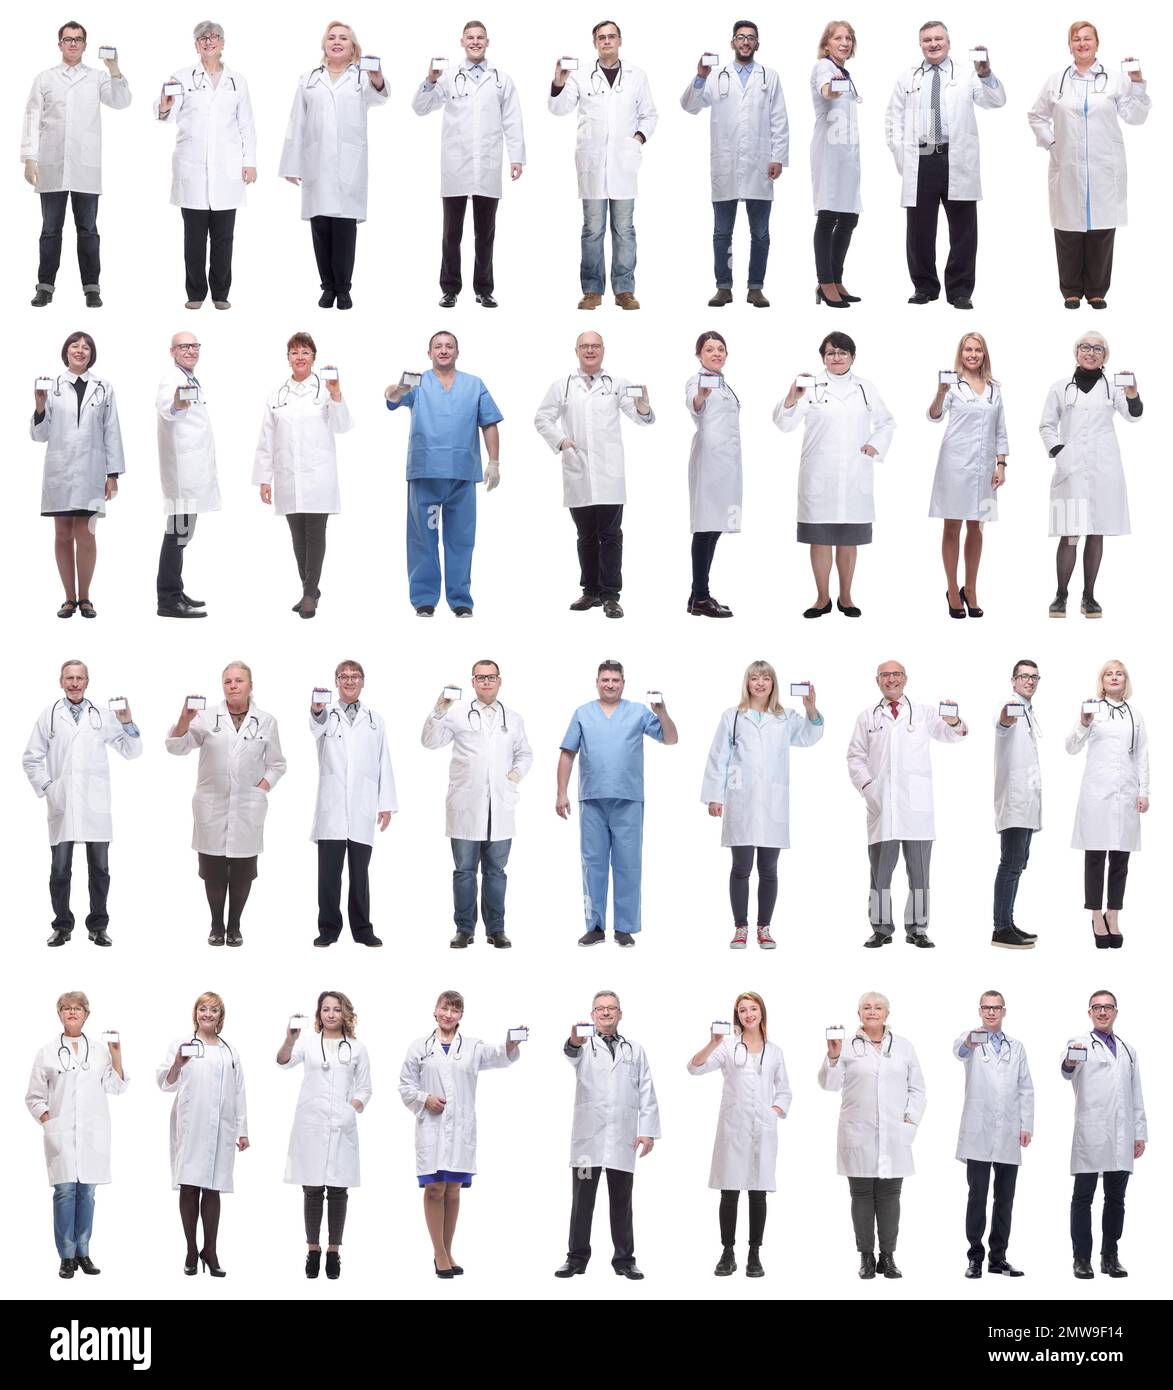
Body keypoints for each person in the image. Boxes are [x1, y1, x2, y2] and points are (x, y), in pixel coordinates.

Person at [399, 990, 521, 1277]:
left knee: (452, 1189)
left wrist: (511, 1042)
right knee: (434, 1187)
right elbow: (405, 1086)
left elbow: (500, 1056)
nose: (448, 1014)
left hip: (460, 1129)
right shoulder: (419, 1047)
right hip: (431, 1125)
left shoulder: (472, 1046)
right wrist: (425, 1098)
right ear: (435, 1011)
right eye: (444, 1008)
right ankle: (438, 1253)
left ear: (461, 1016)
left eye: (455, 1010)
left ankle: (448, 1249)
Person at [1027, 24, 1151, 308]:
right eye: (1076, 39)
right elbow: (1036, 116)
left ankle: (1096, 290)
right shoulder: (1056, 80)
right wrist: (1052, 144)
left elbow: (1135, 117)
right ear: (1069, 45)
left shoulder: (1116, 80)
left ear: (1097, 44)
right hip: (1067, 166)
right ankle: (1070, 289)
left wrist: (1138, 84)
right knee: (1068, 229)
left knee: (1101, 230)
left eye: (1087, 39)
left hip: (1103, 167)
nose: (1082, 44)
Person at [773, 331, 895, 618]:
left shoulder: (866, 388)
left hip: (854, 475)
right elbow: (784, 424)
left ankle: (847, 597)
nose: (836, 358)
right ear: (823, 358)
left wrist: (874, 445)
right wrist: (792, 396)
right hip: (820, 475)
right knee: (820, 538)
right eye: (830, 353)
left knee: (849, 538)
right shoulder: (810, 387)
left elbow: (887, 422)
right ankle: (822, 597)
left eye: (842, 352)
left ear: (853, 356)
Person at [702, 661, 823, 948]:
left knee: (769, 869)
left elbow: (809, 736)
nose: (760, 683)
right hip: (740, 799)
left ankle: (764, 928)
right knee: (741, 867)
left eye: (765, 678)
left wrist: (811, 708)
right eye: (754, 678)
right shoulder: (732, 716)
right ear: (747, 683)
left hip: (772, 802)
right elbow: (719, 756)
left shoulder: (785, 717)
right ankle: (741, 927)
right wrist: (715, 796)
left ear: (773, 683)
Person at [846, 659, 967, 948]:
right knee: (880, 876)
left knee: (920, 876)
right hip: (881, 807)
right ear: (877, 680)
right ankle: (881, 929)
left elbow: (954, 735)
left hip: (917, 809)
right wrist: (868, 787)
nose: (891, 679)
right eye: (885, 675)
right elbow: (855, 757)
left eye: (896, 674)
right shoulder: (867, 717)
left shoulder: (924, 714)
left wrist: (953, 720)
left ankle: (918, 929)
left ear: (905, 679)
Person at [883, 21, 1004, 308]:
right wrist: (903, 157)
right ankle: (924, 286)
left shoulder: (967, 74)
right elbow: (893, 119)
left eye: (938, 39)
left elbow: (996, 101)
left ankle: (960, 290)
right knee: (919, 230)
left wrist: (985, 73)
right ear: (920, 44)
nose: (933, 44)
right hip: (921, 157)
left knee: (963, 229)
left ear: (948, 43)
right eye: (927, 40)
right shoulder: (908, 77)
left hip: (956, 157)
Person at [165, 661, 286, 946]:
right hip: (212, 806)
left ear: (250, 686)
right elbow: (176, 747)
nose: (232, 685)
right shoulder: (206, 717)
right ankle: (217, 924)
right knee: (214, 871)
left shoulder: (266, 720)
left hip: (248, 807)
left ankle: (235, 926)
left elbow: (277, 763)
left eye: (239, 681)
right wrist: (184, 718)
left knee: (243, 872)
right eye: (228, 681)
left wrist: (262, 787)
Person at [22, 659, 142, 947]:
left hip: (94, 804)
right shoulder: (49, 716)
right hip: (62, 804)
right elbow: (31, 758)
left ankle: (98, 926)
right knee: (60, 871)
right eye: (69, 678)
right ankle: (62, 926)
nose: (74, 683)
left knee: (99, 871)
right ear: (61, 681)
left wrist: (126, 721)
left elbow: (131, 751)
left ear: (87, 681)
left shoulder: (101, 715)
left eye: (79, 678)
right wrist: (49, 788)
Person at [534, 332, 654, 619]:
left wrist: (643, 406)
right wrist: (561, 440)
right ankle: (590, 591)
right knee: (585, 535)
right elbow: (542, 418)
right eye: (585, 346)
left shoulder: (618, 385)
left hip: (609, 473)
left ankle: (611, 595)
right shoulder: (561, 386)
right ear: (576, 350)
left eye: (595, 346)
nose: (590, 350)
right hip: (578, 469)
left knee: (611, 535)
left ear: (603, 350)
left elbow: (642, 419)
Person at [557, 661, 678, 947]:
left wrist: (662, 712)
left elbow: (671, 739)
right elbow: (567, 753)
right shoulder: (583, 713)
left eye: (615, 680)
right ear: (596, 682)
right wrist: (561, 793)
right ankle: (595, 926)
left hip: (628, 799)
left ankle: (624, 927)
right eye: (605, 680)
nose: (610, 684)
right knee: (593, 864)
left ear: (624, 683)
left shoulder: (637, 712)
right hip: (592, 799)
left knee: (628, 865)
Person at [385, 331, 503, 617]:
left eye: (449, 346)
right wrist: (398, 389)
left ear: (457, 352)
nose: (443, 349)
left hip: (462, 473)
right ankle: (424, 598)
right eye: (437, 346)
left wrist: (494, 462)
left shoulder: (474, 385)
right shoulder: (417, 382)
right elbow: (390, 398)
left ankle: (460, 599)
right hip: (426, 472)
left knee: (461, 539)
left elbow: (488, 423)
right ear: (429, 353)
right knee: (421, 539)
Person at [412, 21, 525, 309]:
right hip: (456, 166)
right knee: (451, 234)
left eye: (480, 38)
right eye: (470, 38)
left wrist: (517, 157)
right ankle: (449, 288)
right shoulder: (448, 77)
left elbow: (512, 120)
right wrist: (430, 80)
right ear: (461, 42)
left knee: (485, 234)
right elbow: (420, 108)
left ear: (488, 42)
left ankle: (484, 289)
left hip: (487, 165)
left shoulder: (501, 79)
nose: (475, 42)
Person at [422, 659, 533, 949]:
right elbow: (429, 742)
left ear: (500, 680)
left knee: (496, 872)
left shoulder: (514, 718)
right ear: (472, 682)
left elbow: (525, 754)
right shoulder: (457, 715)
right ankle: (464, 929)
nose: (486, 682)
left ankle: (496, 929)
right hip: (465, 807)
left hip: (501, 806)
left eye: (491, 677)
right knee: (464, 872)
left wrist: (515, 775)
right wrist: (439, 709)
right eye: (480, 677)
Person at [548, 20, 658, 310]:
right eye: (601, 38)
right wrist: (559, 80)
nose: (606, 41)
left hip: (624, 164)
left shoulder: (637, 76)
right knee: (592, 230)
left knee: (625, 230)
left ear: (620, 40)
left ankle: (624, 290)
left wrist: (638, 138)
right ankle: (592, 291)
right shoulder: (580, 75)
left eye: (611, 36)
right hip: (593, 165)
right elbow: (558, 109)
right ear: (595, 43)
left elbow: (649, 115)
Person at [22, 21, 131, 308]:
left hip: (85, 167)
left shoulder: (97, 77)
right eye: (67, 39)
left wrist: (114, 68)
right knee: (50, 230)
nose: (73, 43)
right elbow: (32, 119)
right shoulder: (45, 78)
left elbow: (121, 101)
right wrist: (29, 158)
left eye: (78, 39)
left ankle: (91, 288)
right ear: (59, 44)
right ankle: (45, 287)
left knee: (88, 230)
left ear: (84, 44)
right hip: (51, 165)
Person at [279, 20, 387, 308]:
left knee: (344, 228)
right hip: (315, 162)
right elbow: (296, 122)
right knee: (321, 227)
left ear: (353, 47)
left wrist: (376, 76)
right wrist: (291, 164)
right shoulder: (309, 79)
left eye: (343, 38)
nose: (337, 42)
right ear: (324, 44)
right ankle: (327, 287)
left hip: (349, 164)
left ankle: (344, 288)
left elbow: (381, 95)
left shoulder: (362, 77)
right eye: (332, 38)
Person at [680, 20, 787, 308]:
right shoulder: (716, 76)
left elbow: (779, 118)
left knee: (761, 233)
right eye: (740, 37)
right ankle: (723, 287)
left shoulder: (770, 76)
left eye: (751, 38)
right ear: (732, 43)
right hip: (725, 162)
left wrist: (778, 157)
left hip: (760, 164)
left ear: (757, 44)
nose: (745, 41)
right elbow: (690, 107)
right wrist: (700, 76)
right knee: (722, 232)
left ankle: (755, 288)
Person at [818, 992, 925, 1279]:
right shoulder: (846, 1047)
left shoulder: (903, 1046)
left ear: (887, 1014)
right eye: (866, 1007)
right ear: (859, 1015)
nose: (872, 1011)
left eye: (878, 1007)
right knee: (862, 1195)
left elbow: (917, 1089)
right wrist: (832, 1055)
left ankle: (887, 1257)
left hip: (894, 1135)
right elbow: (829, 1085)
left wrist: (909, 1122)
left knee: (890, 1196)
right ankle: (866, 1256)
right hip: (858, 1134)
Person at [153, 21, 257, 311]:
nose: (208, 41)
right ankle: (196, 292)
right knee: (194, 239)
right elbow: (165, 114)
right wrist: (164, 103)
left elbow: (246, 125)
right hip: (193, 169)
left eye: (213, 37)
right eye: (202, 38)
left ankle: (221, 293)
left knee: (224, 238)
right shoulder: (181, 77)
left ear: (223, 42)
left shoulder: (237, 81)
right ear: (196, 45)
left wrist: (250, 162)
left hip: (228, 170)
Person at [556, 991, 659, 1279]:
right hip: (589, 1142)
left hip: (621, 1139)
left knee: (622, 1202)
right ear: (592, 1015)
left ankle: (625, 1260)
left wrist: (648, 1131)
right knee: (582, 1201)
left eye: (611, 1008)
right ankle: (576, 1259)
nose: (605, 1013)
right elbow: (570, 1052)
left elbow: (646, 1090)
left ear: (620, 1013)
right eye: (599, 1009)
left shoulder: (634, 1049)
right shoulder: (584, 1046)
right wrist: (575, 1040)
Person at [25, 991, 128, 1278]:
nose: (72, 1012)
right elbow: (34, 1096)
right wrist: (49, 1122)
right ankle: (66, 1256)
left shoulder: (99, 1051)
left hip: (92, 1135)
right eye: (66, 1008)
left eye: (77, 1008)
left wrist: (117, 1054)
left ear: (86, 1014)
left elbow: (116, 1087)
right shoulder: (46, 1051)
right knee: (65, 1192)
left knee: (87, 1194)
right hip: (61, 1135)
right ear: (59, 1014)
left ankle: (84, 1252)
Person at [688, 993, 791, 1277]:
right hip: (733, 1127)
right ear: (737, 1016)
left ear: (762, 1012)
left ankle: (754, 1254)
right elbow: (693, 1068)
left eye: (753, 1009)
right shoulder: (727, 1047)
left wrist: (775, 1110)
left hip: (763, 1129)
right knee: (729, 1192)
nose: (748, 1014)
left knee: (758, 1194)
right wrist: (713, 1042)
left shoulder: (775, 1051)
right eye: (742, 1010)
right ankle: (727, 1252)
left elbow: (784, 1089)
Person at [1040, 333, 1142, 619]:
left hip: (1103, 469)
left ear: (1104, 356)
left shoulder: (1114, 388)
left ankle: (1089, 596)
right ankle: (1061, 595)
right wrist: (1059, 451)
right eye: (1086, 347)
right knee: (1070, 534)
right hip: (1071, 469)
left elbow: (1134, 416)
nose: (1091, 352)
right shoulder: (1060, 388)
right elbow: (1046, 426)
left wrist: (1133, 394)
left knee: (1095, 533)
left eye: (1098, 349)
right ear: (1076, 352)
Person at [252, 332, 352, 618]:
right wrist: (264, 479)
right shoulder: (277, 395)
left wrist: (336, 394)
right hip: (288, 476)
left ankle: (309, 594)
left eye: (305, 352)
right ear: (288, 359)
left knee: (315, 534)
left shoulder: (324, 391)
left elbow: (342, 425)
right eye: (294, 352)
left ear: (313, 358)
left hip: (318, 476)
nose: (299, 357)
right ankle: (311, 587)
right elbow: (266, 438)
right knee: (297, 537)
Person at [31, 331, 125, 619]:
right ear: (66, 351)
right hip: (60, 471)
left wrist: (113, 474)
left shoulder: (104, 387)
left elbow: (112, 431)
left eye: (86, 347)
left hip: (91, 472)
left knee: (85, 534)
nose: (80, 350)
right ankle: (68, 599)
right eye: (75, 345)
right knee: (62, 534)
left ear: (91, 354)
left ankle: (85, 597)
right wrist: (39, 404)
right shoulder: (52, 386)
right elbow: (39, 434)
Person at [278, 992, 371, 1280]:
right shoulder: (307, 1043)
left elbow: (365, 1089)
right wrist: (290, 1038)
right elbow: (282, 1061)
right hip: (311, 1124)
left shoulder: (356, 1047)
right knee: (313, 1189)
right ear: (318, 1014)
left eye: (336, 1009)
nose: (331, 1014)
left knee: (338, 1190)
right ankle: (312, 1250)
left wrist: (349, 1110)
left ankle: (333, 1252)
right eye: (325, 1009)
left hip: (341, 1125)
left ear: (346, 1013)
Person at [157, 992, 248, 1277]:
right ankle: (191, 1250)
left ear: (221, 1016)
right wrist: (177, 1065)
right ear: (195, 1012)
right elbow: (165, 1083)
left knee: (213, 1188)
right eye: (203, 1009)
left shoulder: (229, 1050)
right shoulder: (182, 1045)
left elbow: (239, 1091)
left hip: (221, 1127)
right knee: (189, 1185)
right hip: (191, 1123)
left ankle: (211, 1250)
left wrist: (243, 1130)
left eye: (214, 1010)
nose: (207, 1014)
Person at [310, 660, 396, 947]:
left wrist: (386, 803)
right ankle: (328, 930)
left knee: (360, 874)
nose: (349, 681)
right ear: (336, 682)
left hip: (362, 806)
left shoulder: (375, 720)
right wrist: (317, 709)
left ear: (363, 681)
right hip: (332, 808)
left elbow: (384, 761)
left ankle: (362, 929)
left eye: (355, 676)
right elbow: (315, 726)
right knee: (329, 876)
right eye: (343, 677)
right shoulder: (326, 715)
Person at [1062, 991, 1147, 1279]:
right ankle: (1081, 1258)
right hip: (1092, 1132)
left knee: (1116, 1199)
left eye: (1107, 1007)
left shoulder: (1128, 1049)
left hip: (1122, 1134)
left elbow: (1136, 1094)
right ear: (1089, 1012)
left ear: (1115, 1011)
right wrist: (1072, 1059)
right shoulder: (1080, 1043)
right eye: (1097, 1007)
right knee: (1083, 1197)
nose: (1102, 1012)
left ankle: (1110, 1256)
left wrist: (1139, 1133)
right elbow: (1066, 1069)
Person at [1066, 660, 1148, 947]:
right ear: (1101, 681)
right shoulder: (1092, 709)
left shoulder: (1135, 715)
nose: (1114, 678)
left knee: (1120, 857)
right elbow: (1071, 747)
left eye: (1120, 673)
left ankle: (1114, 913)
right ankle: (1095, 914)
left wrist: (1144, 791)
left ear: (1126, 680)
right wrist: (1083, 723)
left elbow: (1141, 755)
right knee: (1096, 856)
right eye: (1109, 674)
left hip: (1125, 793)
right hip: (1096, 794)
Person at [954, 991, 1033, 1278]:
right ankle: (975, 1257)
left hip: (1010, 1133)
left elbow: (1026, 1088)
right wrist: (968, 1041)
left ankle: (998, 1258)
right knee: (977, 1196)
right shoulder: (972, 1039)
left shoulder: (1017, 1046)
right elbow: (959, 1052)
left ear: (1004, 1011)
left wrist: (1026, 1125)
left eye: (995, 1007)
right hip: (979, 1132)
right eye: (986, 1008)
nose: (990, 1012)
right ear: (979, 1010)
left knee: (1005, 1198)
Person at [928, 332, 1007, 617]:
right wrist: (940, 391)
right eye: (967, 350)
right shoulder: (952, 384)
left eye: (978, 350)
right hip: (954, 463)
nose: (972, 354)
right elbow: (934, 416)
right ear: (960, 353)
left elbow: (1000, 429)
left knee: (977, 527)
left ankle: (970, 588)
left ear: (985, 354)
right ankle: (952, 589)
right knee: (952, 526)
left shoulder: (994, 388)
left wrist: (1001, 464)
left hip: (983, 466)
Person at [155, 331, 218, 618]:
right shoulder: (172, 378)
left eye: (195, 345)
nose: (191, 350)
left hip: (194, 469)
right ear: (173, 351)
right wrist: (178, 403)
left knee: (183, 534)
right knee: (177, 535)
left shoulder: (189, 376)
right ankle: (168, 598)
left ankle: (176, 590)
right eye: (184, 346)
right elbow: (168, 409)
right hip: (183, 472)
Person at [685, 331, 740, 616]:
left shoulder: (724, 384)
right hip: (709, 461)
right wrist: (700, 397)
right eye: (709, 349)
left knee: (714, 528)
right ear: (699, 355)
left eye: (721, 349)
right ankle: (701, 596)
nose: (716, 354)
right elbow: (695, 405)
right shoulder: (698, 380)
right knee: (705, 529)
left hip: (726, 464)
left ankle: (698, 596)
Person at [810, 21, 862, 307]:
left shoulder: (844, 71)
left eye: (848, 38)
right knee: (828, 215)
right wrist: (833, 87)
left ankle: (837, 279)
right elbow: (827, 91)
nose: (844, 42)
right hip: (829, 153)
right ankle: (824, 282)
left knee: (850, 217)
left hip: (847, 155)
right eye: (838, 38)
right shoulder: (824, 68)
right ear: (826, 43)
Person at [991, 660, 1043, 949]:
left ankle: (1008, 923)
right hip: (1015, 802)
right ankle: (1000, 928)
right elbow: (1002, 724)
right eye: (1024, 676)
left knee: (1018, 864)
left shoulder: (1028, 708)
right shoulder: (1011, 704)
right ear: (1013, 680)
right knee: (1010, 865)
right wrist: (1006, 718)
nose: (1030, 681)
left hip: (1026, 803)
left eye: (1034, 677)